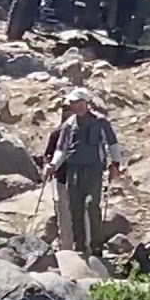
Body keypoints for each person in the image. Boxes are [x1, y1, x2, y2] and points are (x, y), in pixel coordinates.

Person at [44, 88, 124, 257]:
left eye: (79, 103)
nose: (76, 106)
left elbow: (112, 143)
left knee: (91, 204)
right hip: (73, 170)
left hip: (94, 169)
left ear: (86, 103)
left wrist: (115, 163)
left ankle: (97, 246)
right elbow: (61, 149)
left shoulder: (100, 122)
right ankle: (79, 245)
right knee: (75, 207)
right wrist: (53, 165)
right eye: (73, 103)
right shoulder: (68, 125)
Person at [42, 107, 74, 252]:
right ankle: (68, 248)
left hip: (76, 179)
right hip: (63, 179)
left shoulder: (61, 133)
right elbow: (48, 155)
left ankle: (72, 246)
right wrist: (48, 166)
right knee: (65, 213)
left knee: (67, 213)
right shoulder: (56, 134)